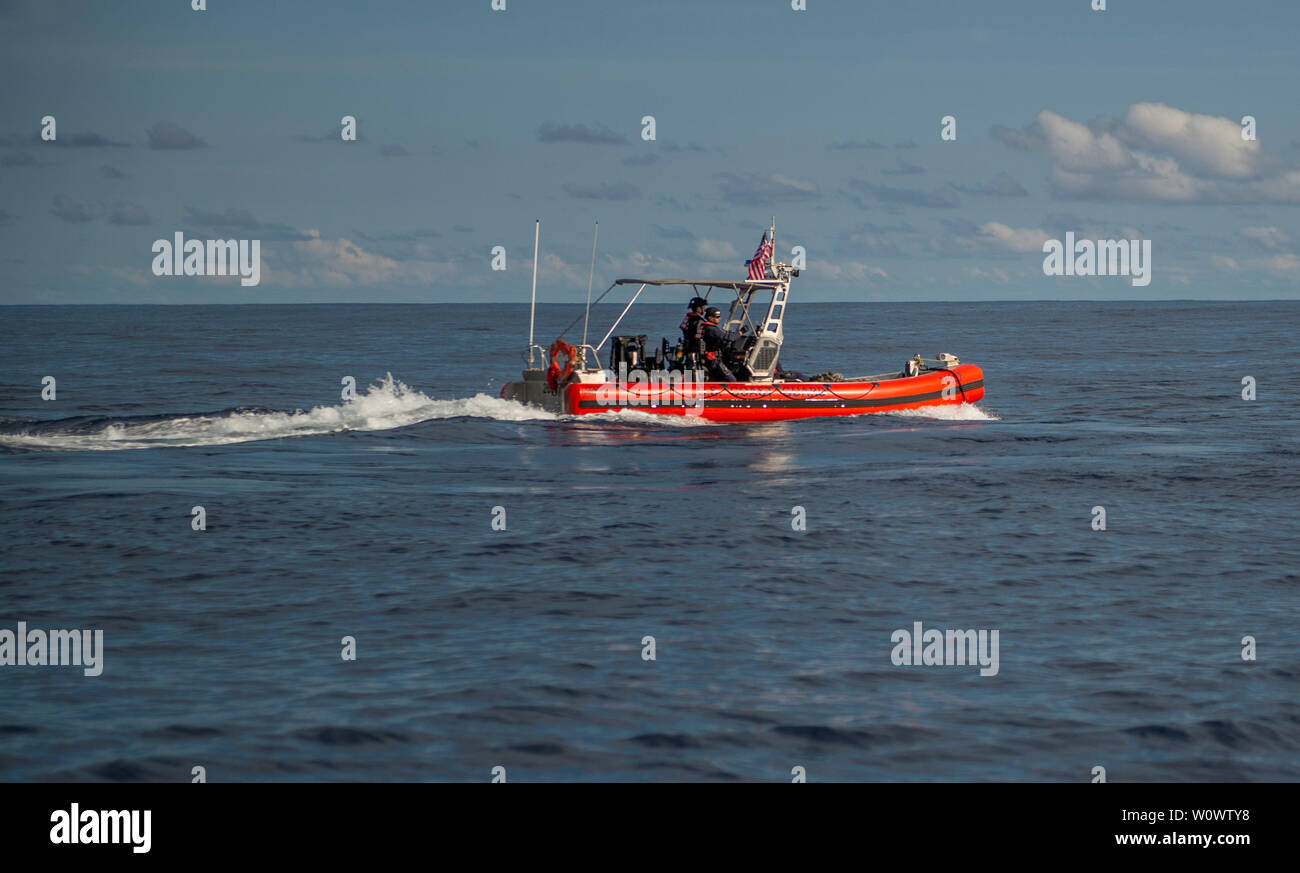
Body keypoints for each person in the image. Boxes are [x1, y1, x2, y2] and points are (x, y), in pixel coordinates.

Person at [697, 306, 747, 382]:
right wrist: (741, 332)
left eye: (719, 317)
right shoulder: (712, 329)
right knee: (732, 379)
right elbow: (729, 338)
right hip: (714, 360)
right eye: (717, 317)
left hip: (709, 359)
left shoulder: (705, 327)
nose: (719, 319)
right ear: (710, 318)